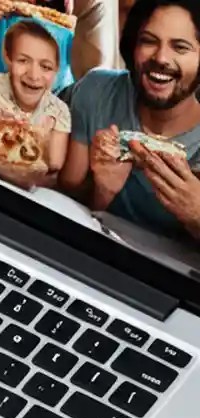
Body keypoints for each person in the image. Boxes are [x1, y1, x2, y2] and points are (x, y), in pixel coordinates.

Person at [59, 0, 200, 242]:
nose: (161, 58)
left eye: (180, 47)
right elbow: (53, 197)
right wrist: (101, 190)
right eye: (148, 41)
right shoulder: (96, 92)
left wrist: (196, 214)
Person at [0, 20, 73, 178]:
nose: (34, 76)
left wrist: (42, 140)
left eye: (46, 67)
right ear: (8, 59)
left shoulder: (59, 112)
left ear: (56, 72)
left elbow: (53, 166)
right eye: (23, 61)